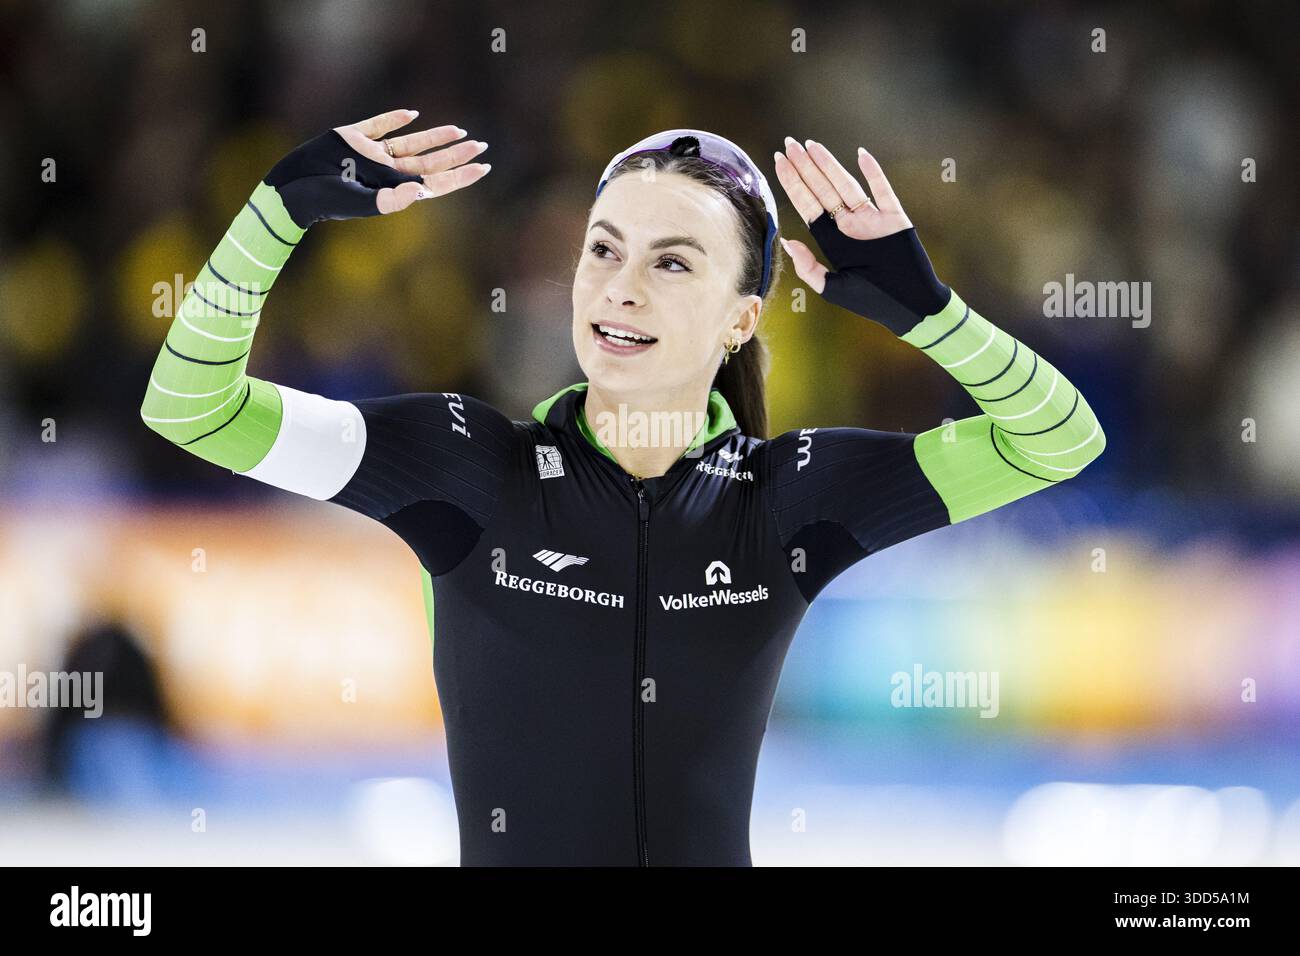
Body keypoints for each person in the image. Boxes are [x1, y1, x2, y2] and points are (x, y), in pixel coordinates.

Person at [140, 109, 1105, 866]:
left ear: (742, 318)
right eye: (603, 249)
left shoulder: (790, 498)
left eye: (671, 262)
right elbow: (193, 409)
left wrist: (930, 314)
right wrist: (277, 214)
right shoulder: (465, 466)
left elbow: (1057, 440)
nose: (620, 287)